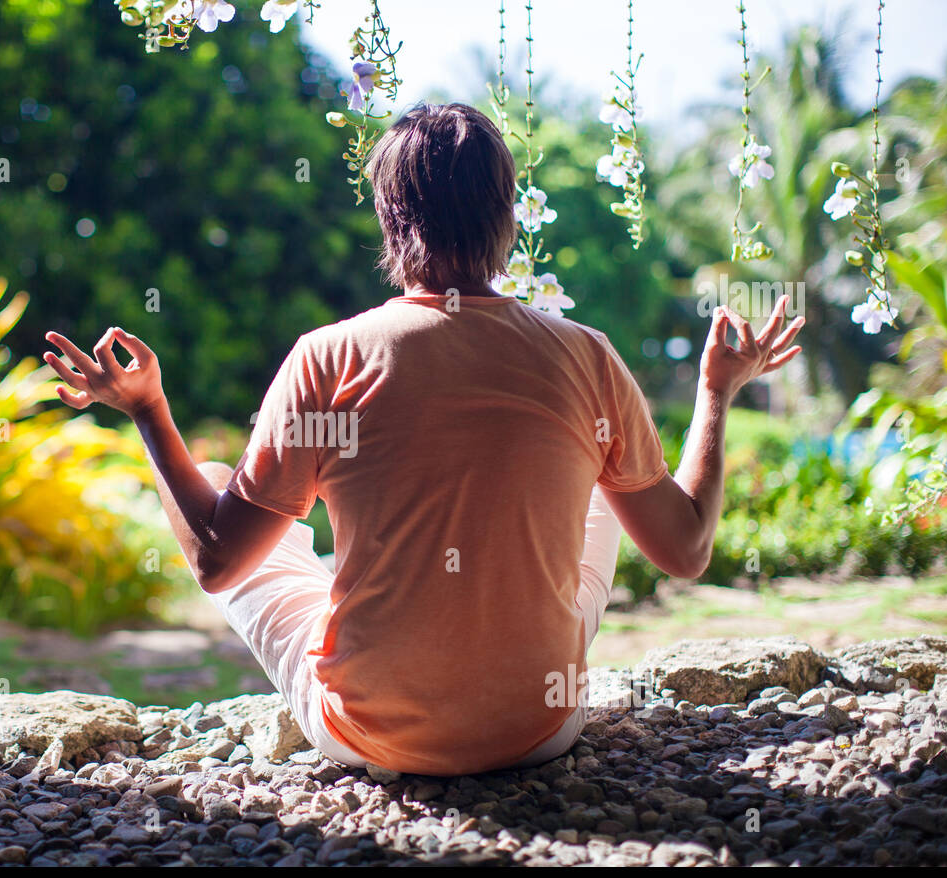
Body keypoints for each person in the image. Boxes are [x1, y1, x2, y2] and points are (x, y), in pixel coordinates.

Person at [43, 102, 804, 776]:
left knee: (217, 482)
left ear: (389, 218)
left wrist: (148, 410)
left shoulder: (329, 356)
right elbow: (686, 551)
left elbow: (217, 561)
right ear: (506, 218)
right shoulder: (587, 354)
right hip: (538, 727)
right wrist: (714, 391)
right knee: (611, 489)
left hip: (366, 732)